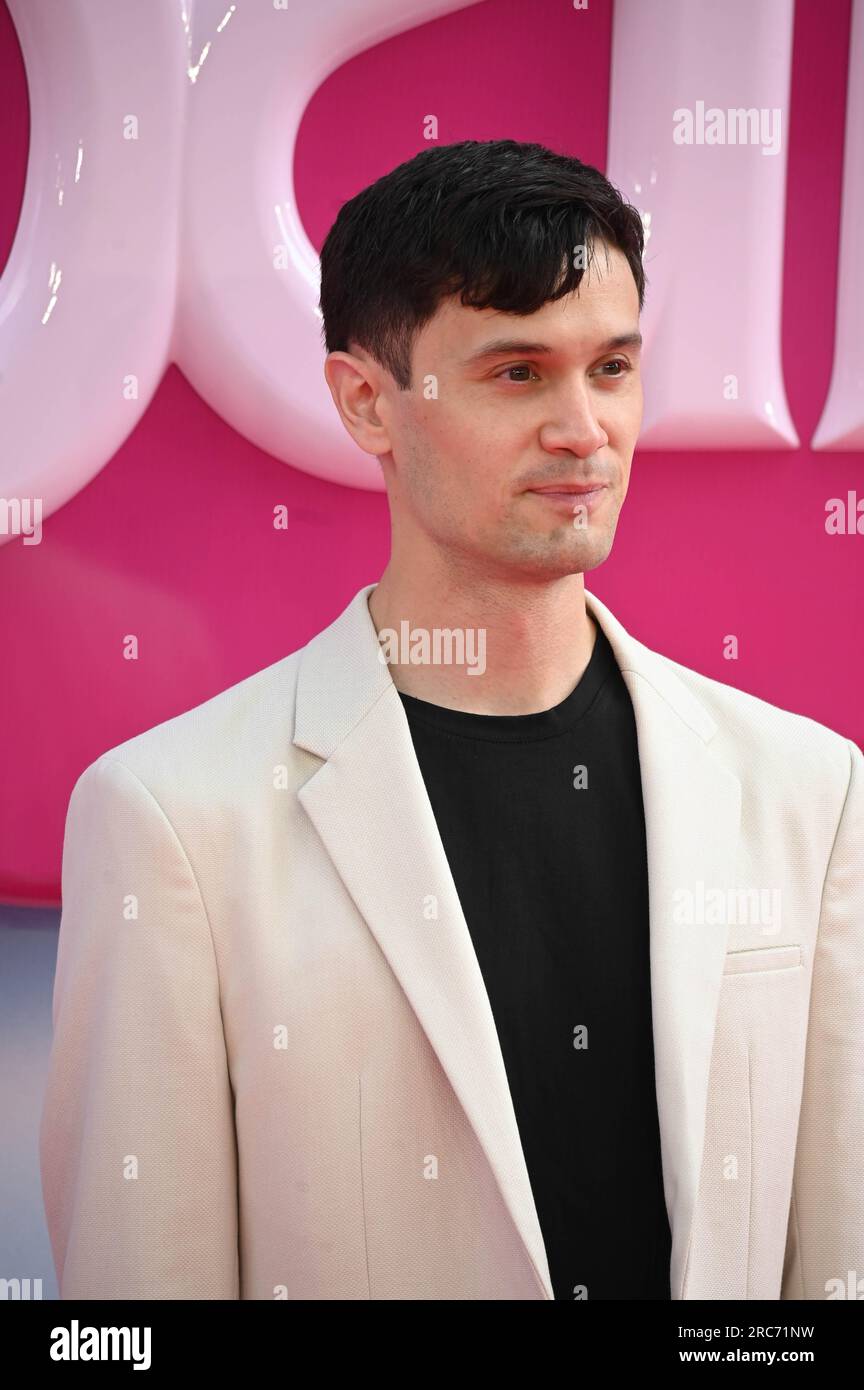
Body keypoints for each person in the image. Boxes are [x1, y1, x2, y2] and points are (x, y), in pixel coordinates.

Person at [41, 140, 863, 1301]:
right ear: (366, 402)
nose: (585, 428)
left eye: (612, 367)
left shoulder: (809, 790)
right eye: (519, 373)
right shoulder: (173, 818)